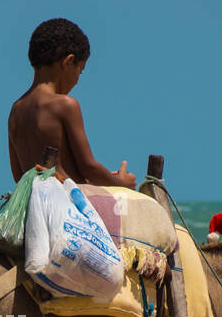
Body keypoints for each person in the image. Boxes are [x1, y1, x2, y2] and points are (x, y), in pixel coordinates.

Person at [7, 18, 137, 189]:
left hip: (33, 200)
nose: (77, 80)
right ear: (68, 62)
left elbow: (19, 175)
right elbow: (89, 167)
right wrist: (121, 183)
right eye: (80, 71)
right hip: (68, 203)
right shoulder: (65, 105)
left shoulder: (16, 110)